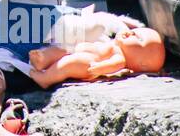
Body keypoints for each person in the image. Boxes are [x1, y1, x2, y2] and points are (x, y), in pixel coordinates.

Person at [27, 27, 166, 89]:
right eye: (135, 31)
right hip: (80, 52)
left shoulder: (120, 58)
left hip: (88, 63)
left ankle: (46, 79)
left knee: (66, 64)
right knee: (62, 50)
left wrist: (100, 68)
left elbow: (113, 65)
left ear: (141, 64)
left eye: (138, 39)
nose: (131, 33)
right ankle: (43, 60)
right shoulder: (113, 44)